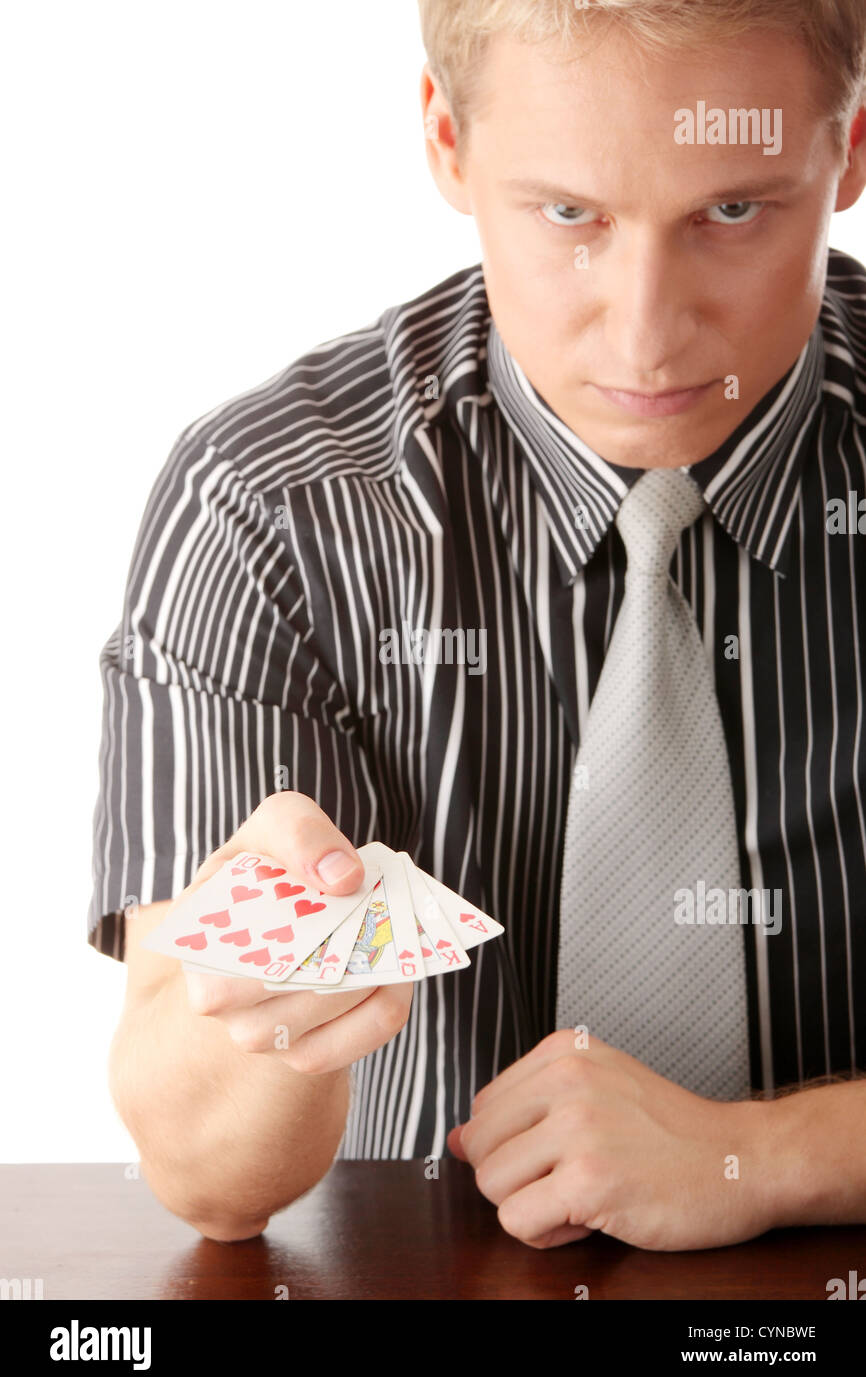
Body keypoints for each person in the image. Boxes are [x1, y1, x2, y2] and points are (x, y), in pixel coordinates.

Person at [89, 0, 866, 1251]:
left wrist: (764, 1157)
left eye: (731, 210)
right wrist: (267, 999)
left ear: (851, 148)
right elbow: (206, 1180)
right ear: (447, 143)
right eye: (569, 215)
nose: (642, 330)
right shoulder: (270, 509)